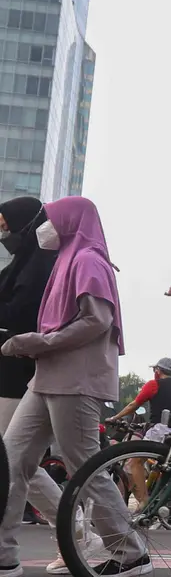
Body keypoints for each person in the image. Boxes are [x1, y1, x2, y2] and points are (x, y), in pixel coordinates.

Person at [0, 196, 147, 577]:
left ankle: (130, 552)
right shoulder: (66, 259)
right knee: (12, 461)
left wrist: (37, 342)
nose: (42, 227)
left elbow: (97, 321)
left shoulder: (87, 260)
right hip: (47, 377)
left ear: (68, 221)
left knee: (85, 467)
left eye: (49, 219)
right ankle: (4, 554)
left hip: (76, 380)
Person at [0, 197, 64, 539]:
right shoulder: (20, 265)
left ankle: (78, 531)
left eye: (6, 225)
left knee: (15, 461)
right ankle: (77, 531)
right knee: (17, 462)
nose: (3, 232)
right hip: (9, 372)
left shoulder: (41, 266)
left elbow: (22, 315)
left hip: (19, 373)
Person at [107, 356, 171, 509]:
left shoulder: (154, 384)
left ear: (158, 370)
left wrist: (115, 417)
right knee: (155, 464)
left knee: (134, 462)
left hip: (159, 430)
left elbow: (133, 405)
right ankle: (149, 496)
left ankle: (144, 502)